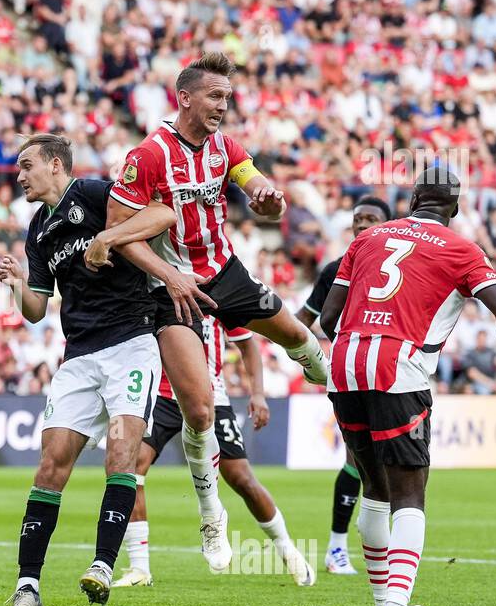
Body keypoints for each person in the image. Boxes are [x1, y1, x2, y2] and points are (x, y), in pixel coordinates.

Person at [86, 52, 329, 573]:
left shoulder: (224, 147)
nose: (223, 105)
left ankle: (316, 366)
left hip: (223, 270)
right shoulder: (148, 155)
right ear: (186, 98)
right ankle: (211, 513)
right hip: (169, 289)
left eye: (227, 96)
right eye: (215, 96)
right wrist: (170, 274)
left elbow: (258, 186)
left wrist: (270, 202)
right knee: (198, 410)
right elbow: (120, 232)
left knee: (294, 334)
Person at [318, 166, 496, 606]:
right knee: (409, 495)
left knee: (372, 484)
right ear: (455, 207)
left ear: (412, 197)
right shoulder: (462, 250)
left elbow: (329, 317)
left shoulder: (368, 238)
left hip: (346, 363)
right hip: (399, 367)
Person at [0, 134, 173, 606]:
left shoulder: (95, 194)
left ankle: (103, 564)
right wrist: (15, 286)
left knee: (122, 455)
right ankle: (27, 587)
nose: (20, 175)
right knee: (50, 467)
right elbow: (36, 310)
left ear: (56, 165)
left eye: (27, 165)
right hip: (78, 357)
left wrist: (107, 237)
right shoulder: (38, 230)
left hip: (130, 347)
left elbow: (162, 214)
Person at [113, 316, 315, 587]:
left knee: (243, 479)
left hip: (211, 398)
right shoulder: (158, 290)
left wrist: (257, 394)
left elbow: (248, 346)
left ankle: (289, 551)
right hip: (162, 395)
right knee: (133, 466)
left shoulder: (219, 291)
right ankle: (139, 568)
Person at [295, 196, 392, 575]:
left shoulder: (394, 268)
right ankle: (337, 547)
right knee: (357, 457)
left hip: (390, 372)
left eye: (371, 218)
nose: (362, 223)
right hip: (350, 373)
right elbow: (306, 319)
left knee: (385, 464)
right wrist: (301, 352)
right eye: (358, 218)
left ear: (387, 225)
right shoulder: (338, 269)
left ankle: (380, 545)